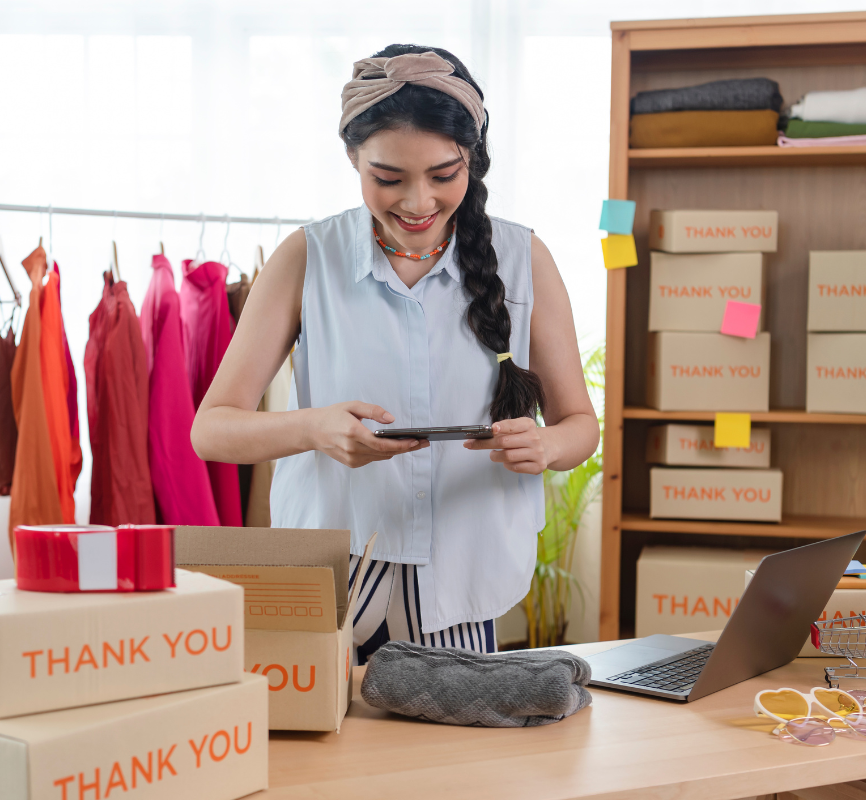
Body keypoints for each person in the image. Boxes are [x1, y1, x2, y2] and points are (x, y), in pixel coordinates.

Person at [192, 44, 598, 663]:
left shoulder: (524, 260)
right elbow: (211, 431)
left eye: (444, 175)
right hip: (331, 577)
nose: (417, 203)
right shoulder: (307, 258)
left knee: (449, 757)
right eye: (387, 178)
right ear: (353, 156)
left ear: (473, 159)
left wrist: (545, 447)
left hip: (463, 578)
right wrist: (314, 429)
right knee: (325, 750)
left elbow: (580, 428)